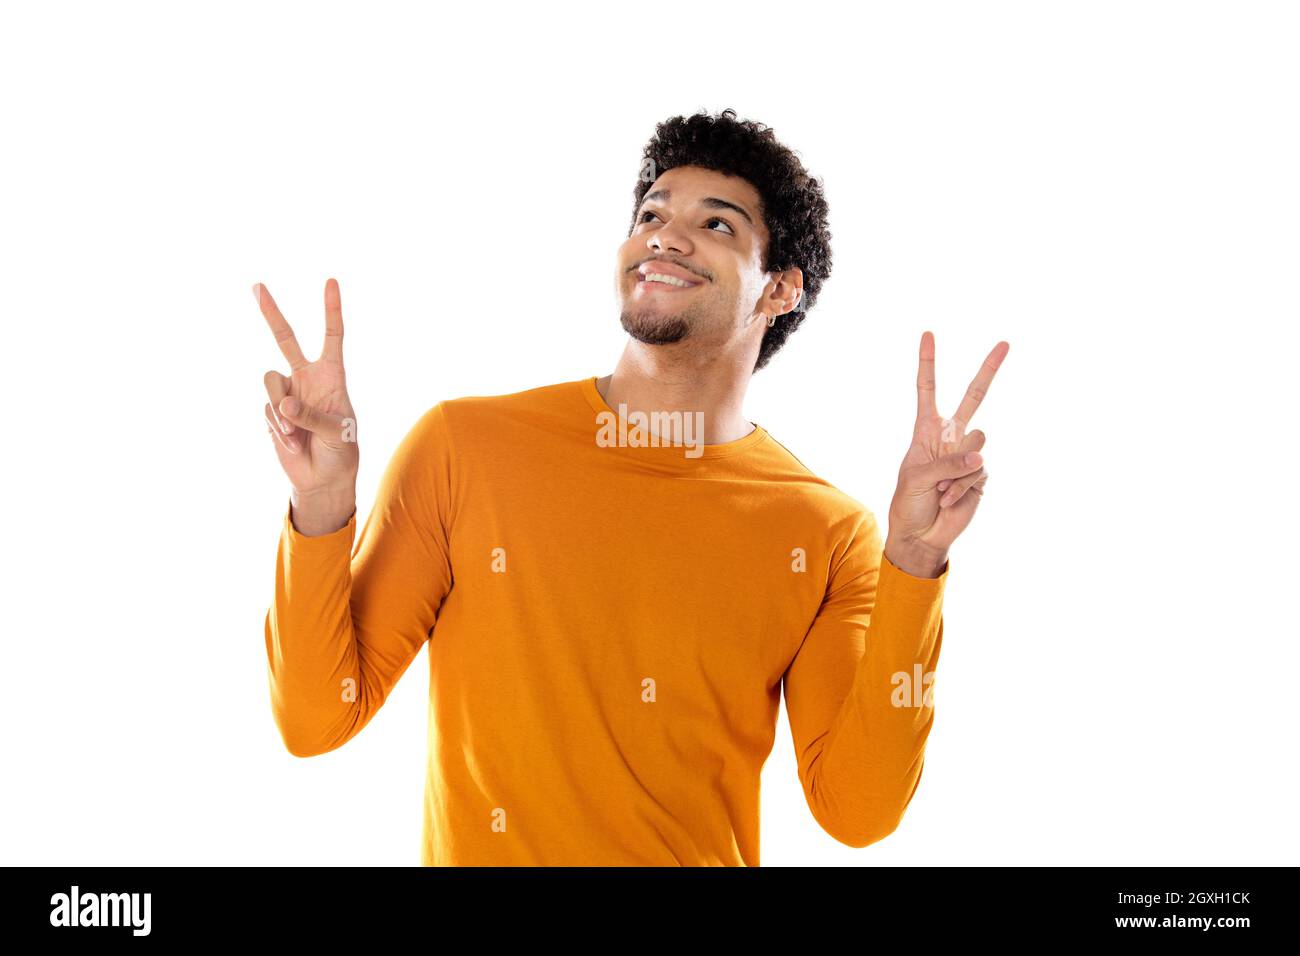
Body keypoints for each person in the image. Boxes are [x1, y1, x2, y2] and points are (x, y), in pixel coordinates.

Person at [258, 108, 1009, 866]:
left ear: (780, 290)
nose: (666, 235)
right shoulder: (463, 448)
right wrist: (322, 507)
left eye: (718, 226)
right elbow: (316, 721)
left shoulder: (829, 534)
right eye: (652, 213)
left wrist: (914, 563)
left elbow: (859, 811)